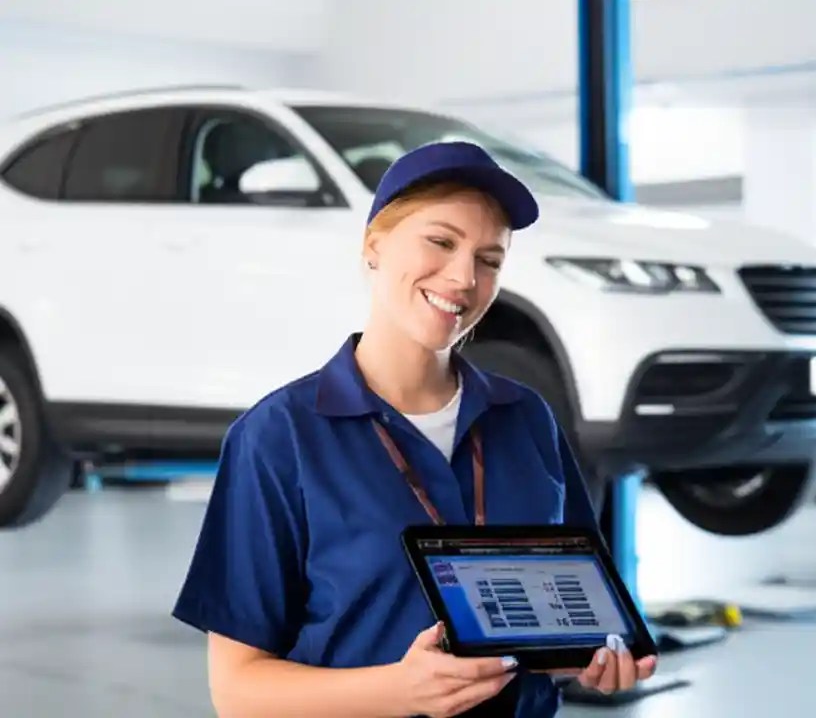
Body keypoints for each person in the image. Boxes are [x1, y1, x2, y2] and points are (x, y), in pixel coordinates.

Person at [172, 141, 657, 718]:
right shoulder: (278, 437)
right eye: (441, 241)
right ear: (374, 244)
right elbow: (237, 693)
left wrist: (595, 656)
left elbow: (582, 611)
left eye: (489, 260)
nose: (462, 277)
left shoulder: (526, 419)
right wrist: (400, 691)